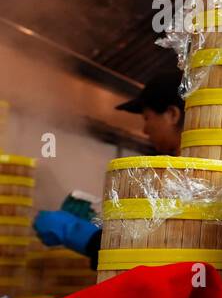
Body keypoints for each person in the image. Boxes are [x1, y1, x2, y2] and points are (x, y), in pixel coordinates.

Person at [33, 70, 186, 261]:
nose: (144, 130)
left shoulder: (193, 179)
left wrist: (82, 234)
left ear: (172, 114)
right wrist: (101, 228)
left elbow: (155, 255)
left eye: (147, 118)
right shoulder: (175, 174)